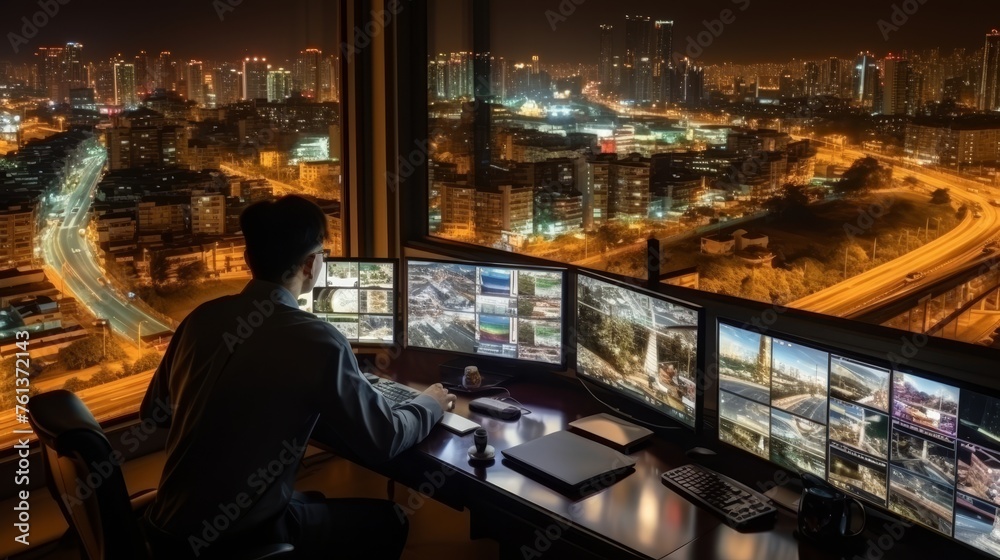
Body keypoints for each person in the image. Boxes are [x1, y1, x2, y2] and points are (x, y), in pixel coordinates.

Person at [139, 195, 455, 559]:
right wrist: (429, 404)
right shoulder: (317, 340)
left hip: (162, 532)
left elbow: (156, 414)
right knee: (390, 520)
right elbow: (383, 439)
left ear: (247, 259)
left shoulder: (200, 319)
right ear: (310, 265)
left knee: (310, 501)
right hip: (236, 540)